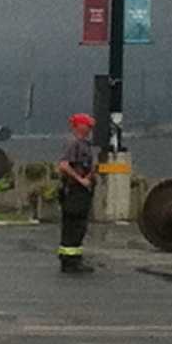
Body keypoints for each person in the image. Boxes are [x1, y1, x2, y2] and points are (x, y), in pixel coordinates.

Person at [57, 113, 97, 274]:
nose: (89, 128)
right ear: (79, 126)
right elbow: (64, 165)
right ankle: (69, 261)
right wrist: (81, 180)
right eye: (87, 125)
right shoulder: (73, 144)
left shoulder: (85, 144)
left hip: (82, 191)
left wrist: (92, 175)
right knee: (73, 226)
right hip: (74, 191)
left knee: (79, 227)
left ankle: (74, 259)